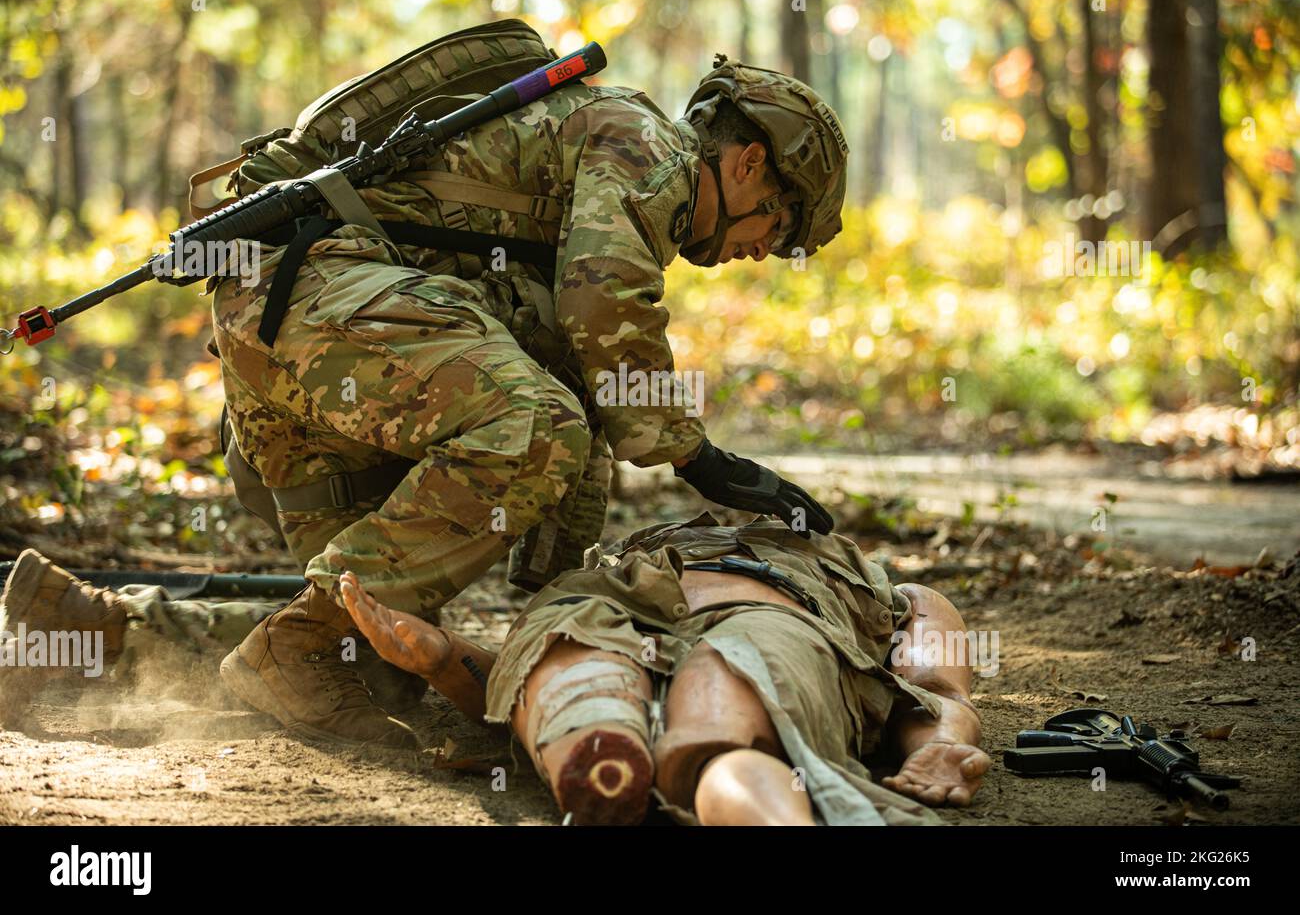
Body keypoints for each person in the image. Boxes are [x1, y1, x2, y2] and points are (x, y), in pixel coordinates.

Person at [208, 51, 851, 748]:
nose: (764, 251)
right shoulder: (648, 147)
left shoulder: (594, 174)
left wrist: (556, 604)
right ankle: (286, 646)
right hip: (308, 298)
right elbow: (605, 310)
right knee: (535, 427)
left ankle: (158, 635)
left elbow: (581, 380)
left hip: (293, 322)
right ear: (749, 164)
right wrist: (699, 459)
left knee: (370, 655)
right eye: (780, 226)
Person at [0, 513, 989, 825]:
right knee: (573, 680)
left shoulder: (864, 580)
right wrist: (437, 657)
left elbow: (937, 688)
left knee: (712, 715)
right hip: (591, 607)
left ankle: (697, 776)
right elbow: (494, 679)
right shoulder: (612, 551)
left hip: (757, 619)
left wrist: (946, 744)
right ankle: (607, 764)